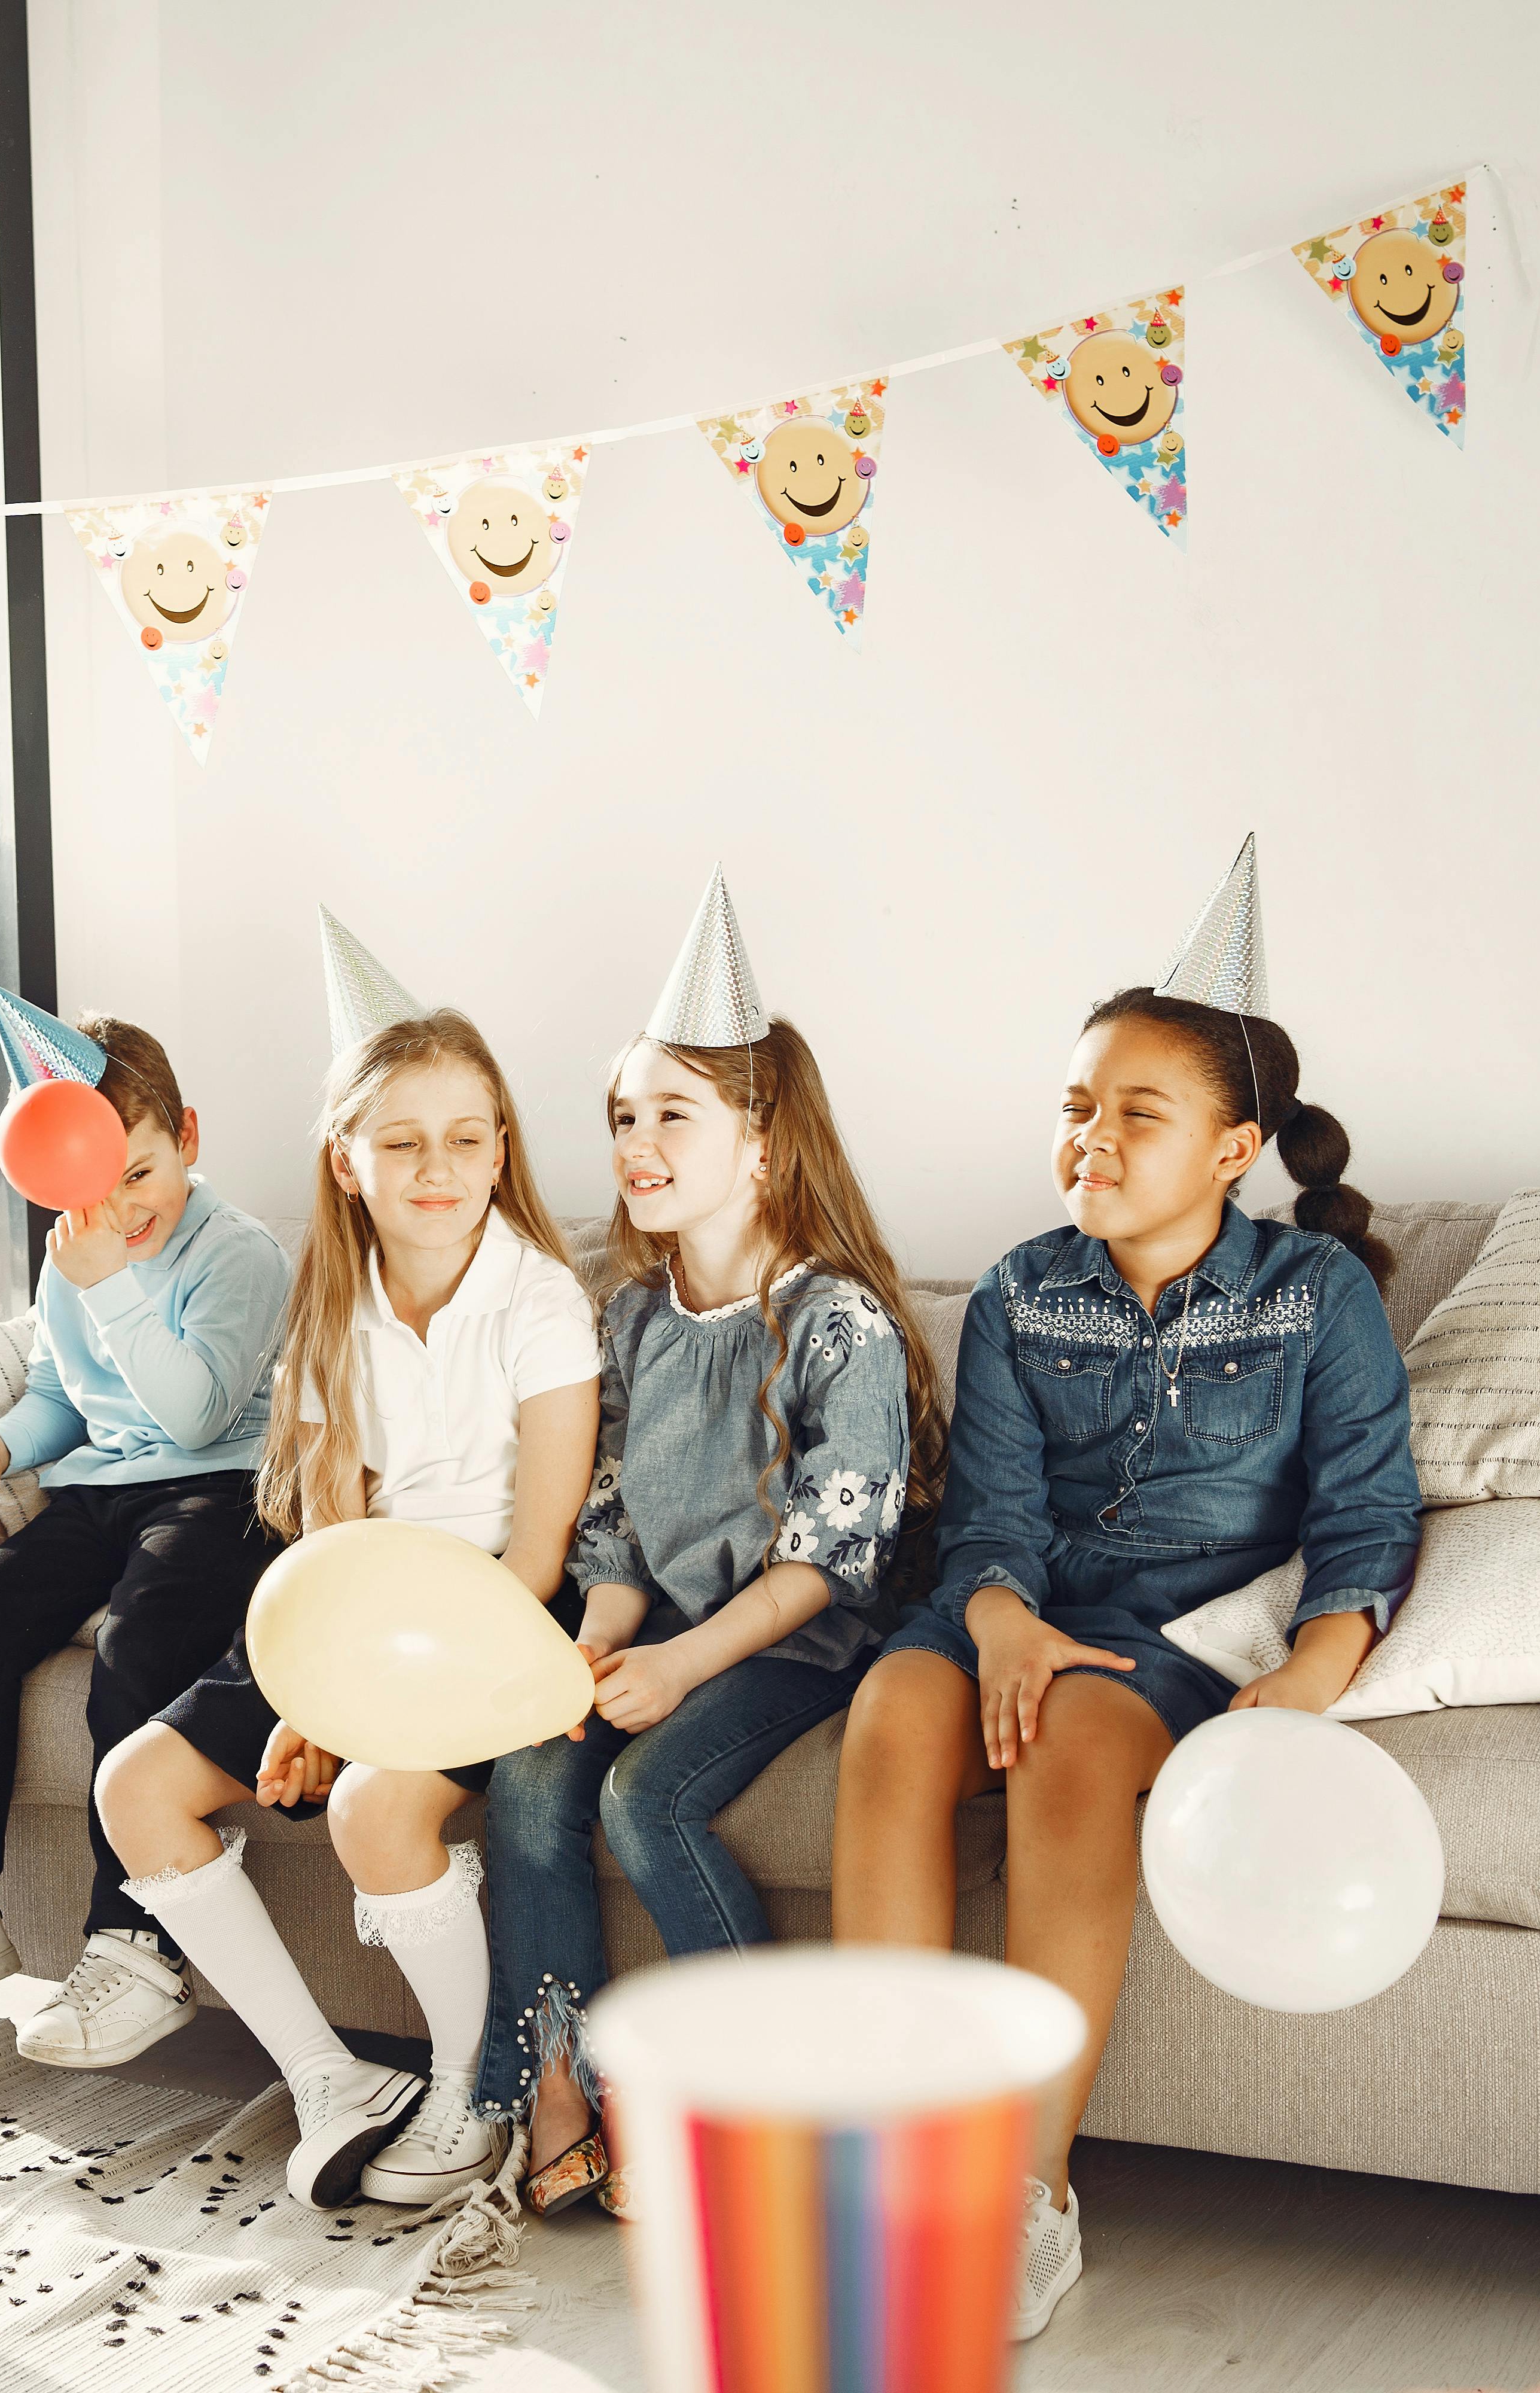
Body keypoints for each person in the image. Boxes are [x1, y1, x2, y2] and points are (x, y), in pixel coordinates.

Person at [830, 838, 1420, 2340]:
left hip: (1167, 1639)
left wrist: (1309, 1676)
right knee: (899, 1703)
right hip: (1015, 1606)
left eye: (1136, 1114)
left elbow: (1365, 1513)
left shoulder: (1315, 1294)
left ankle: (1029, 2189)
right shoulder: (1027, 1288)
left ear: (1234, 1150)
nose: (1090, 1135)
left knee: (1077, 1746)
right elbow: (992, 1519)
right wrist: (1001, 1615)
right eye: (1076, 1105)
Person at [101, 917, 599, 2212]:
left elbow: (538, 1552)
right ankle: (329, 2078)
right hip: (351, 1624)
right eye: (401, 1139)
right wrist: (314, 1703)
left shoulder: (539, 1301)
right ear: (347, 1157)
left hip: (489, 1630)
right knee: (136, 1787)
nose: (436, 1167)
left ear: (501, 1150)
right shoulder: (330, 1305)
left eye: (464, 1136)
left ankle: (470, 2085)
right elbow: (334, 1534)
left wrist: (359, 1721)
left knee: (380, 1805)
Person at [475, 871, 945, 2217]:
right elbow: (615, 1520)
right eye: (624, 1112)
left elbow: (825, 1560)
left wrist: (680, 1671)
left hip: (796, 1637)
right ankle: (564, 2078)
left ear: (761, 1137)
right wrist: (600, 1639)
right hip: (667, 1624)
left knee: (645, 1795)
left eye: (671, 1110)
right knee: (533, 1768)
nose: (635, 1138)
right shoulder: (627, 1311)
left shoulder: (833, 1321)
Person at [0, 991, 298, 2066]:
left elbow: (194, 1414)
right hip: (101, 1493)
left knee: (141, 1639)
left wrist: (113, 1285)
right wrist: (3, 1446)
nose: (124, 1210)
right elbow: (60, 1395)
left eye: (142, 1174)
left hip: (218, 1492)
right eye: (96, 1188)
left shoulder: (241, 1253)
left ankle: (136, 1945)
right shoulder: (75, 1254)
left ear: (188, 1140)